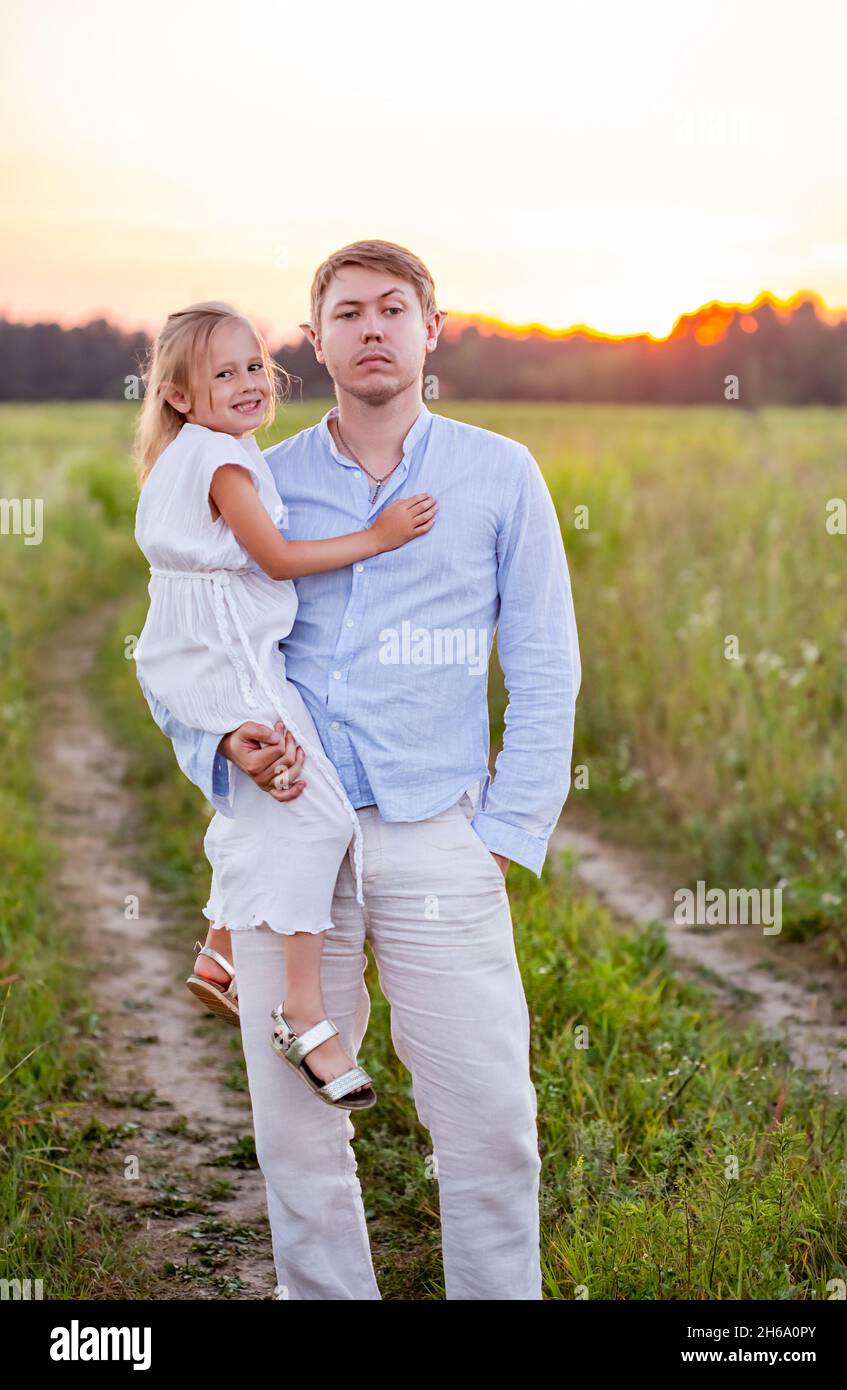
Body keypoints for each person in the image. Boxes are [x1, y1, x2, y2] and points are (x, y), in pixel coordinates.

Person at [137, 239, 581, 1300]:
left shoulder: (496, 473)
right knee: (294, 1131)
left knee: (487, 1122)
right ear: (316, 340)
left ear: (433, 330)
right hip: (290, 835)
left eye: (393, 308)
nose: (371, 326)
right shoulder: (257, 476)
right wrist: (214, 744)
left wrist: (503, 837)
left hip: (440, 837)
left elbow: (545, 664)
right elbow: (185, 642)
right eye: (347, 311)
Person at [131, 299, 437, 1106]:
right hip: (236, 659)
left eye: (254, 367)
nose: (246, 384)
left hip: (202, 652)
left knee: (256, 808)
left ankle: (222, 949)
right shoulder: (224, 463)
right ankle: (302, 1012)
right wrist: (381, 535)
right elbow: (274, 558)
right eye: (222, 374)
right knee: (320, 815)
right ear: (180, 396)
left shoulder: (184, 454)